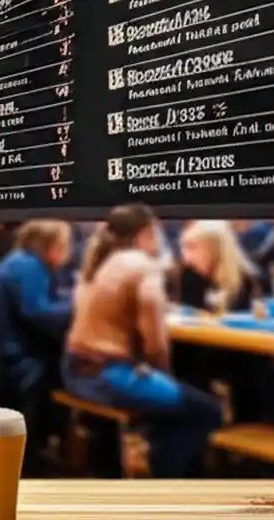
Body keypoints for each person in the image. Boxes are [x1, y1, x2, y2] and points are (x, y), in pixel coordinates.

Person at [62, 204, 223, 478]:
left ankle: (159, 458)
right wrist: (165, 376)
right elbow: (155, 343)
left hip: (73, 370)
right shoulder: (142, 265)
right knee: (207, 410)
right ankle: (169, 483)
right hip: (107, 375)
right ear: (144, 234)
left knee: (172, 406)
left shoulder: (98, 260)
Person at [0, 220, 74, 469]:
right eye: (64, 244)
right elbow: (38, 311)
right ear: (49, 245)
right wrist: (80, 305)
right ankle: (36, 457)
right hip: (17, 357)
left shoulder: (24, 261)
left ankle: (49, 448)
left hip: (10, 349)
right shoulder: (27, 265)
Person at [177, 220, 258, 314]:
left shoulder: (245, 281)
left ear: (213, 248)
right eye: (184, 248)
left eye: (192, 247)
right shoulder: (190, 274)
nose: (186, 258)